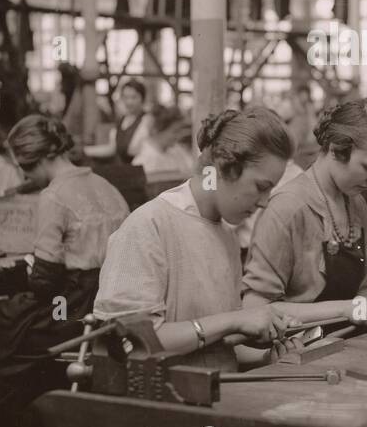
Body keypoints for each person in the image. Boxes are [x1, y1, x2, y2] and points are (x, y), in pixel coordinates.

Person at [0, 116, 129, 427]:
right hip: (109, 308)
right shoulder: (107, 186)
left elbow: (44, 280)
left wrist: (30, 267)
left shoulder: (54, 196)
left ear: (36, 161)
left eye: (26, 171)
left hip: (71, 308)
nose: (26, 178)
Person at [95, 108, 301, 371]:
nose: (264, 202)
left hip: (219, 393)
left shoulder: (226, 235)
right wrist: (235, 321)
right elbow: (132, 342)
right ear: (225, 168)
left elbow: (217, 348)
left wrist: (267, 359)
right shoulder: (148, 226)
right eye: (261, 187)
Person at [243, 98, 367, 325]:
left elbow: (362, 291)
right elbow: (255, 309)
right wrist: (346, 309)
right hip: (297, 351)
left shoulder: (356, 203)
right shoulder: (287, 209)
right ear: (336, 150)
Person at [83, 79, 153, 163]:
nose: (129, 102)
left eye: (134, 97)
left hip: (139, 168)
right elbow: (113, 148)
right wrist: (85, 150)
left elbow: (134, 150)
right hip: (123, 168)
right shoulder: (123, 120)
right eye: (126, 97)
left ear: (142, 98)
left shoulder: (148, 120)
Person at [131, 105, 195, 178]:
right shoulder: (143, 162)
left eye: (180, 131)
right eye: (175, 131)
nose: (179, 136)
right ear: (157, 131)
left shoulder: (176, 150)